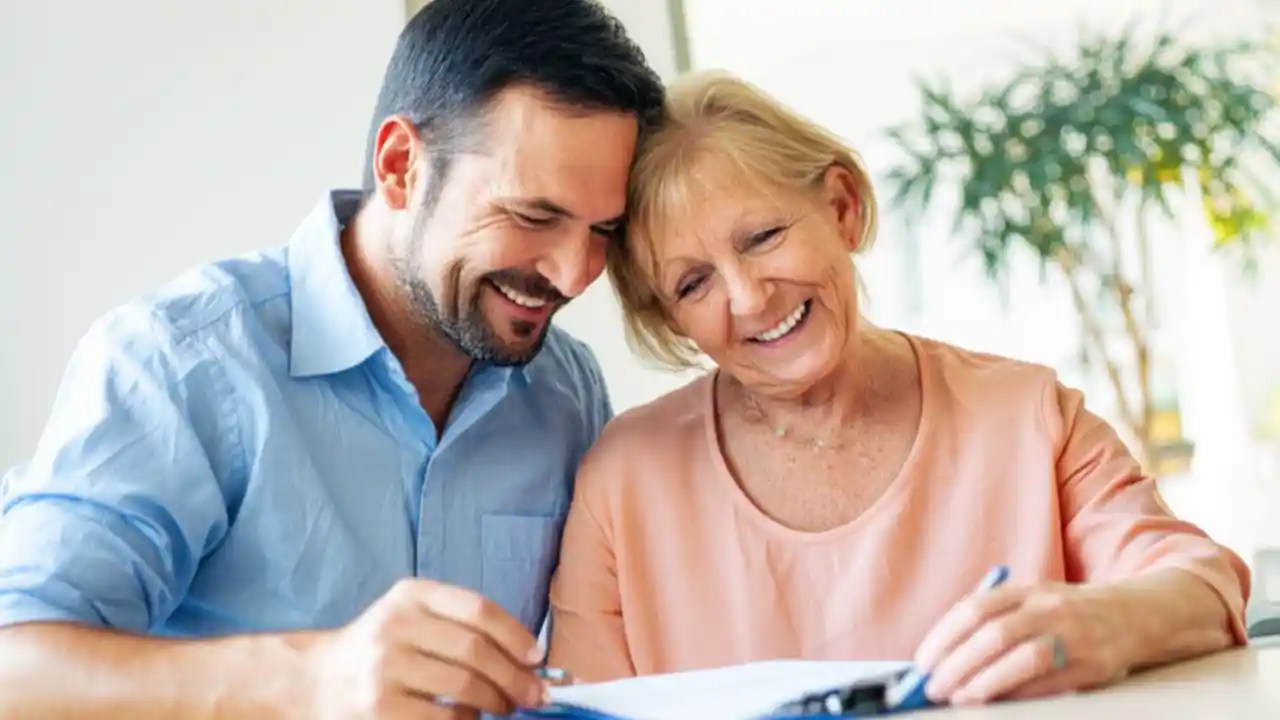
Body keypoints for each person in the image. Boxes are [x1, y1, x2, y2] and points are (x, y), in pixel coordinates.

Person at [0, 1, 662, 717]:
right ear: (401, 165)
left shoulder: (566, 392)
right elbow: (16, 670)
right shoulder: (181, 360)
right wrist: (306, 679)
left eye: (602, 230)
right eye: (534, 216)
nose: (573, 274)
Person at [547, 71, 1250, 706]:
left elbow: (1204, 588)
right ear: (668, 316)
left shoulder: (1026, 416)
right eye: (693, 283)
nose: (749, 297)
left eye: (762, 236)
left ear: (842, 207)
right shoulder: (623, 482)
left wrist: (1105, 623)